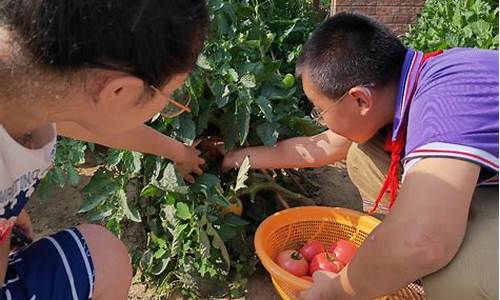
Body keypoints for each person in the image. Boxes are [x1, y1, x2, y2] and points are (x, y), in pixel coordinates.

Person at [223, 13, 499, 300]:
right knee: (362, 155)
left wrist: (336, 291)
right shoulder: (413, 85)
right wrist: (235, 157)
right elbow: (320, 148)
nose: (321, 120)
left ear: (360, 99)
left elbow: (423, 242)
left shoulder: (444, 104)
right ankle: (425, 238)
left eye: (320, 111)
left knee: (455, 278)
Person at [0, 0, 208, 299]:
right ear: (119, 91)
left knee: (103, 257)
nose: (172, 102)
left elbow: (83, 120)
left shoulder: (31, 83)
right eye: (174, 95)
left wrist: (179, 152)